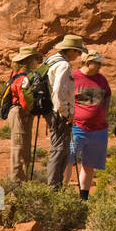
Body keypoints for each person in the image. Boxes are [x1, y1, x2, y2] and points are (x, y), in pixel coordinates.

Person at [44, 35, 87, 187]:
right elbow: (57, 91)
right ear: (70, 50)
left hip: (51, 111)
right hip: (59, 114)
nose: (77, 56)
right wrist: (65, 113)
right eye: (77, 52)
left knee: (60, 149)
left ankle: (55, 185)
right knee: (59, 150)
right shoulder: (63, 65)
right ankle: (54, 187)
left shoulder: (50, 61)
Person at [68, 51, 111, 200]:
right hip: (77, 127)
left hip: (99, 129)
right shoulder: (73, 77)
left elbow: (107, 97)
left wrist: (103, 115)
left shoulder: (102, 80)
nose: (100, 65)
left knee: (89, 164)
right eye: (97, 63)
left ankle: (83, 199)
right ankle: (60, 195)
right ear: (87, 63)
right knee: (68, 160)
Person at [6, 45, 40, 182]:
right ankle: (17, 188)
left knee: (22, 151)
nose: (38, 62)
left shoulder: (16, 74)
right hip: (21, 115)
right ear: (30, 60)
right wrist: (34, 108)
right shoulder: (23, 78)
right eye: (36, 59)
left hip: (17, 113)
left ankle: (21, 185)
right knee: (20, 151)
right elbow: (24, 102)